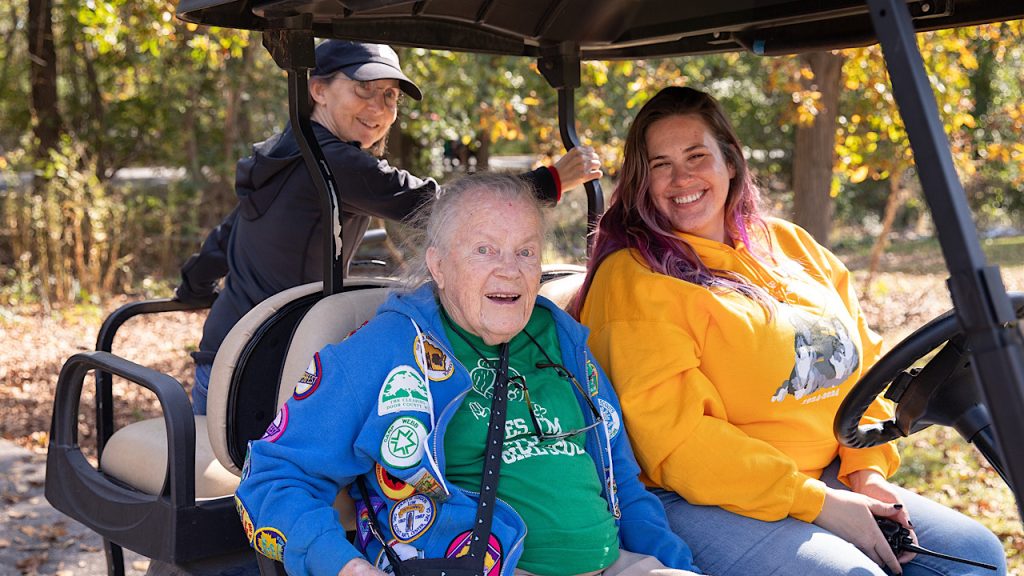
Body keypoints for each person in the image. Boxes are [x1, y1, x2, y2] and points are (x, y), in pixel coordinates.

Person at [574, 86, 1006, 576]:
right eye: (661, 165)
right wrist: (817, 502)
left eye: (697, 156)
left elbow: (865, 365)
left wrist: (865, 472)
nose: (682, 178)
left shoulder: (787, 243)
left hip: (824, 479)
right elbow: (677, 443)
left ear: (730, 162)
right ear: (642, 181)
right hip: (699, 496)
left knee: (979, 555)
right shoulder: (635, 279)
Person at [234, 173, 703, 576]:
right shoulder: (382, 350)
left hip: (618, 563)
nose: (510, 271)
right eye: (484, 250)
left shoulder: (564, 342)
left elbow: (622, 482)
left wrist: (673, 564)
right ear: (438, 265)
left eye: (525, 252)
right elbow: (273, 477)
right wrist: (342, 564)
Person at [174, 40, 604, 415]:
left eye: (390, 96)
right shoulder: (330, 161)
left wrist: (193, 286)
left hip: (228, 353)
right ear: (318, 89)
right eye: (363, 89)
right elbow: (445, 207)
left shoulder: (284, 153)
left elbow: (227, 235)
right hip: (263, 369)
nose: (379, 108)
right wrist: (549, 181)